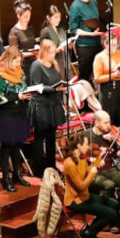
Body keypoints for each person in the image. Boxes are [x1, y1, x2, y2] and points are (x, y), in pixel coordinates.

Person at [0, 46, 33, 192]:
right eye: (15, 61)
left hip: (19, 113)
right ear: (7, 61)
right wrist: (17, 96)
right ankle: (6, 178)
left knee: (17, 145)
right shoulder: (0, 76)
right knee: (7, 148)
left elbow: (23, 88)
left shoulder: (21, 74)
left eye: (19, 61)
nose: (18, 65)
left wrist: (28, 93)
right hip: (5, 115)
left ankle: (17, 174)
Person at [61, 133, 119, 238]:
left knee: (114, 204)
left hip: (85, 196)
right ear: (78, 146)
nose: (88, 147)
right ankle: (88, 234)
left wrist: (98, 159)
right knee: (111, 214)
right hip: (75, 201)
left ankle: (90, 231)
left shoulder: (80, 158)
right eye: (86, 144)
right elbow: (81, 186)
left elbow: (88, 170)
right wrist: (92, 173)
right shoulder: (69, 163)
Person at [28, 39, 67, 177]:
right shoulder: (36, 66)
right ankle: (38, 169)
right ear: (43, 52)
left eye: (54, 52)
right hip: (41, 106)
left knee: (51, 137)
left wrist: (60, 88)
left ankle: (51, 165)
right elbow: (37, 86)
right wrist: (53, 89)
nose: (53, 55)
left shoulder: (53, 65)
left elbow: (56, 82)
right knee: (40, 138)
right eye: (50, 53)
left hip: (53, 105)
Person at [84, 110, 120, 207]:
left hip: (110, 169)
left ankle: (116, 207)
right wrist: (91, 159)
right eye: (105, 123)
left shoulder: (111, 135)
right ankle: (107, 211)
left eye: (109, 122)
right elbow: (78, 157)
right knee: (110, 185)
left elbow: (115, 154)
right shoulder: (86, 136)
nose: (109, 126)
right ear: (96, 123)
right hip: (93, 171)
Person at [68, 0, 104, 85]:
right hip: (85, 46)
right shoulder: (75, 6)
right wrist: (90, 34)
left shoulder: (94, 2)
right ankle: (85, 100)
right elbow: (74, 29)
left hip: (97, 43)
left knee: (98, 73)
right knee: (85, 75)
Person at [93, 32, 120, 130]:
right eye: (111, 45)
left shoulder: (119, 53)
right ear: (105, 44)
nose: (114, 47)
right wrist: (113, 75)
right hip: (107, 88)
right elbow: (97, 78)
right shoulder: (99, 57)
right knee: (110, 116)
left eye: (115, 44)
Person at [8, 0, 37, 73]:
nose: (28, 19)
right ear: (18, 15)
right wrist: (31, 53)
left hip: (34, 63)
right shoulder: (14, 32)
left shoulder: (30, 29)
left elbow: (33, 45)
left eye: (29, 16)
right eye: (25, 17)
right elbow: (15, 54)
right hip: (22, 66)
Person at [38, 5, 68, 77]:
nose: (58, 20)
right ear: (48, 17)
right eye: (55, 17)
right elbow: (43, 51)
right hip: (54, 61)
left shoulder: (61, 29)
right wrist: (57, 50)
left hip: (65, 59)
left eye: (59, 17)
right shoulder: (45, 31)